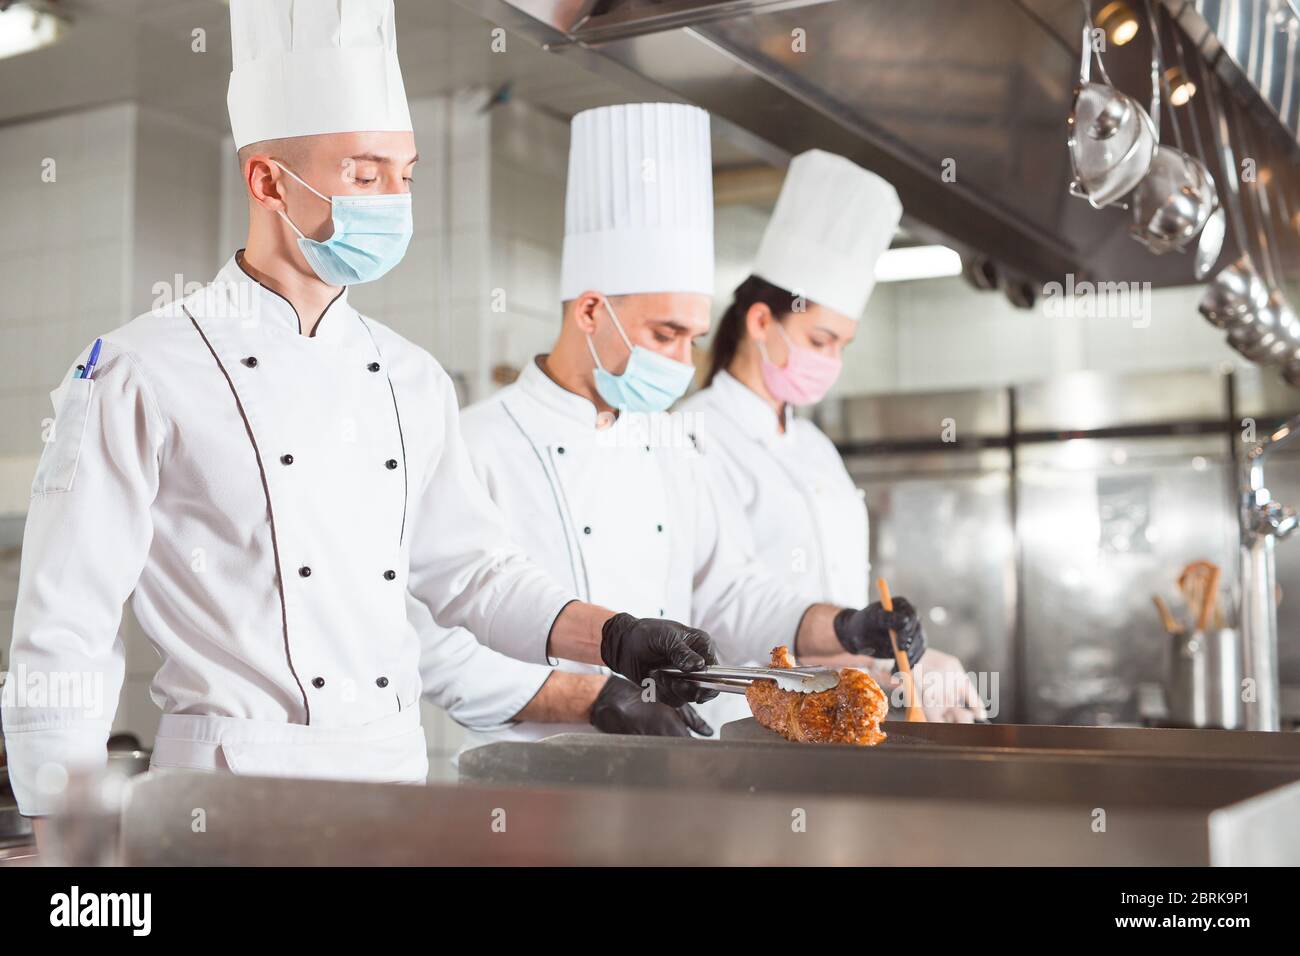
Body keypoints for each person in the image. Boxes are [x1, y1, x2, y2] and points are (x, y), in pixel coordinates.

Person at [1, 0, 718, 836]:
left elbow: (470, 573)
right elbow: (66, 624)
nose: (394, 200)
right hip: (227, 802)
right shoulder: (141, 368)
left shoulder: (410, 378)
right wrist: (67, 837)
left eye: (405, 174)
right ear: (267, 181)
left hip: (391, 786)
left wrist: (616, 636)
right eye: (365, 174)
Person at [410, 107, 969, 748]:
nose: (681, 362)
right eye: (664, 334)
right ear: (591, 310)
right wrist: (595, 697)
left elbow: (726, 594)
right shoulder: (478, 443)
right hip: (529, 784)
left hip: (668, 772)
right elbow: (432, 644)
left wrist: (842, 627)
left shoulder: (667, 445)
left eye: (693, 338)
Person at [681, 149, 987, 722]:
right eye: (820, 340)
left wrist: (900, 666)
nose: (832, 361)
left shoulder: (815, 448)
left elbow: (834, 602)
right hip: (741, 726)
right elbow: (725, 606)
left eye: (843, 346)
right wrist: (848, 626)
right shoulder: (695, 436)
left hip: (834, 719)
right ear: (761, 322)